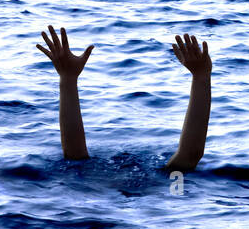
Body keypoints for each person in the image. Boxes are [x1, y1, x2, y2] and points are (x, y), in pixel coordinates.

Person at [35, 25, 212, 173]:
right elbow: (190, 155)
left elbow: (74, 155)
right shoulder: (172, 182)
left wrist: (68, 78)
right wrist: (201, 77)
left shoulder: (92, 182)